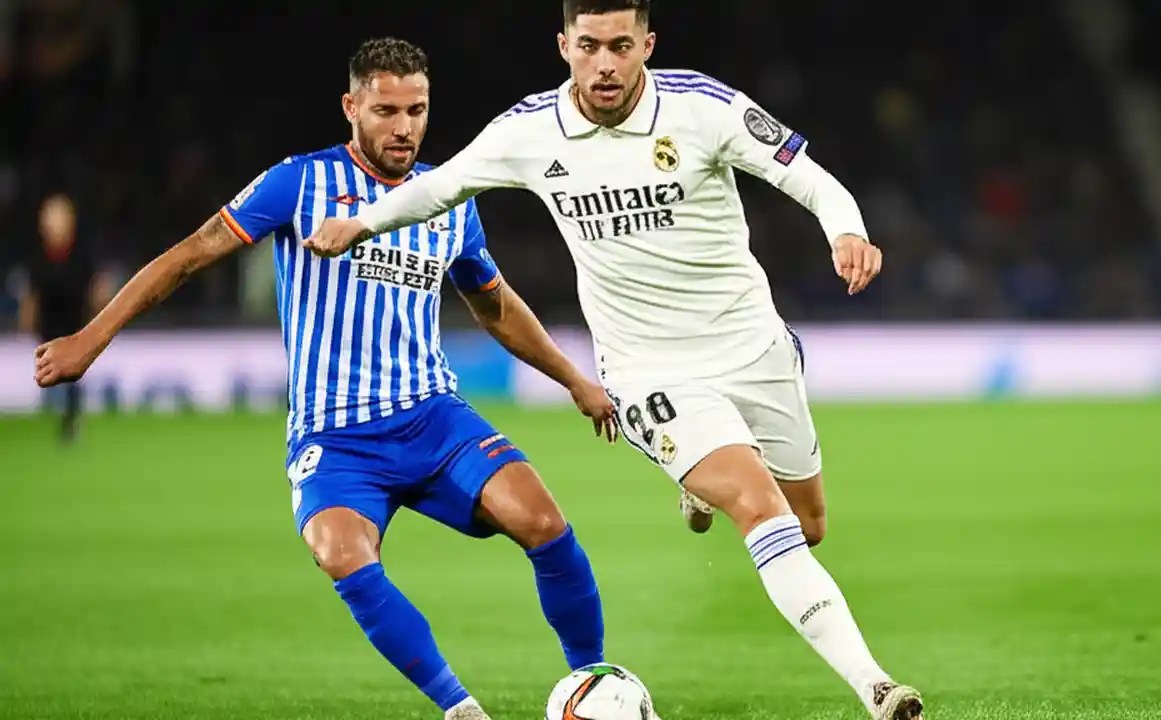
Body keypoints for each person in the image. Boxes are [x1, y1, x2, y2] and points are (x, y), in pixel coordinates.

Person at [302, 3, 923, 719]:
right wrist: (362, 222)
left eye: (620, 45)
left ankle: (699, 486)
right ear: (564, 46)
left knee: (807, 527)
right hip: (649, 370)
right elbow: (441, 187)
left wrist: (847, 231)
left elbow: (809, 177)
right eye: (589, 45)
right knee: (757, 505)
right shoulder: (530, 129)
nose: (604, 62)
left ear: (647, 45)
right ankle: (876, 686)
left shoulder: (702, 108)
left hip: (753, 348)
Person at [33, 37, 618, 720]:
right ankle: (461, 710)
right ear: (351, 107)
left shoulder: (447, 196)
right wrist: (91, 338)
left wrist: (575, 380)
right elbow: (189, 257)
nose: (403, 127)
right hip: (336, 437)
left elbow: (494, 304)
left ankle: (594, 688)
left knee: (544, 522)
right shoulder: (299, 183)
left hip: (433, 418)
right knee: (341, 553)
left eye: (417, 110)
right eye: (386, 111)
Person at [21, 192, 110, 443]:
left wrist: (99, 322)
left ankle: (71, 421)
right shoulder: (36, 258)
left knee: (72, 383)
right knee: (51, 385)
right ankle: (55, 420)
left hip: (75, 329)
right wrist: (27, 320)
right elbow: (32, 296)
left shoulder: (83, 255)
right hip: (48, 330)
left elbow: (97, 291)